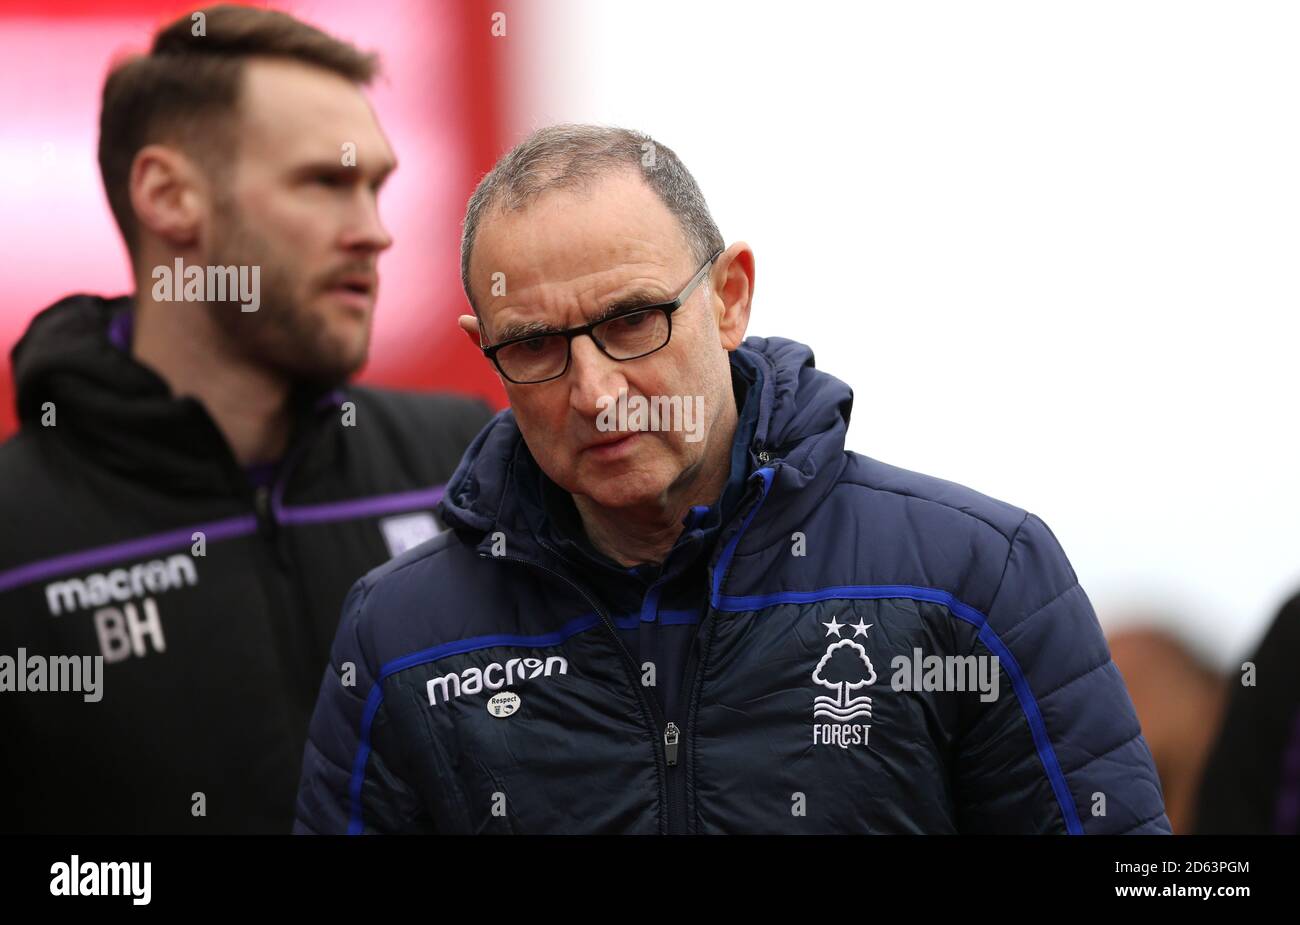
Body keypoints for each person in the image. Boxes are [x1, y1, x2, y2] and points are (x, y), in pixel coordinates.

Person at [294, 124, 1169, 834]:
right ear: (483, 347)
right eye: (534, 344)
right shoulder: (400, 634)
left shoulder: (975, 577)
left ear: (730, 297)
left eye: (632, 319)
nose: (595, 392)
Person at [0, 5, 491, 833]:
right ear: (168, 196)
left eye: (376, 186)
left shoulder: (467, 466)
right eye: (325, 183)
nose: (375, 232)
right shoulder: (16, 532)